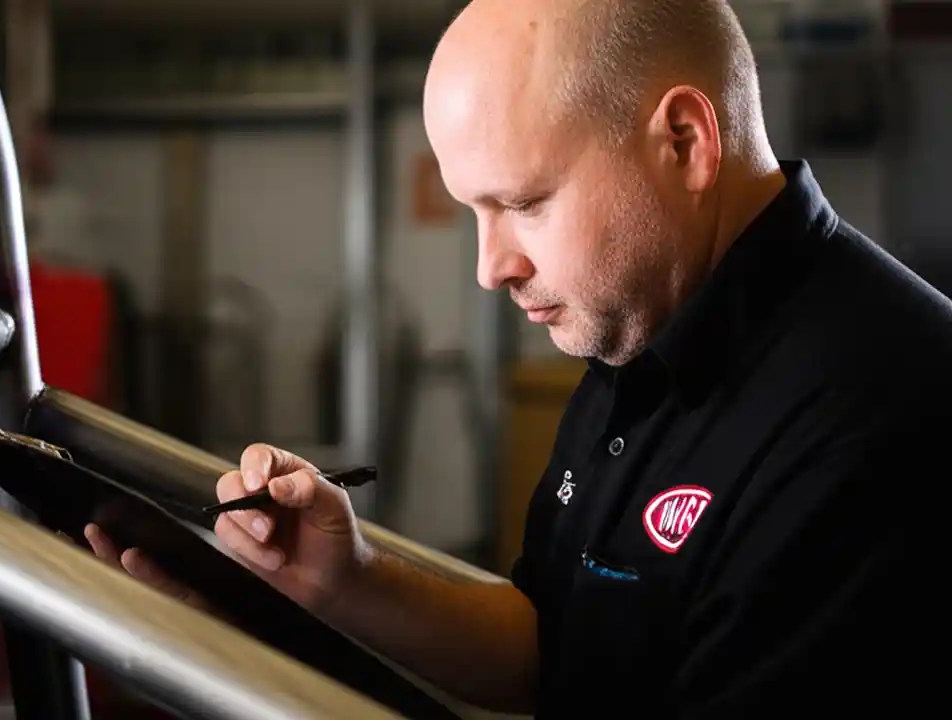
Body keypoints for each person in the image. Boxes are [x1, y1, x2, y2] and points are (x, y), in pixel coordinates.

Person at [85, 0, 949, 716]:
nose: (490, 266)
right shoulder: (651, 319)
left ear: (685, 142)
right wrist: (343, 582)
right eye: (474, 211)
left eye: (524, 203)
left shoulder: (878, 418)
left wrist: (267, 683)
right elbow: (555, 642)